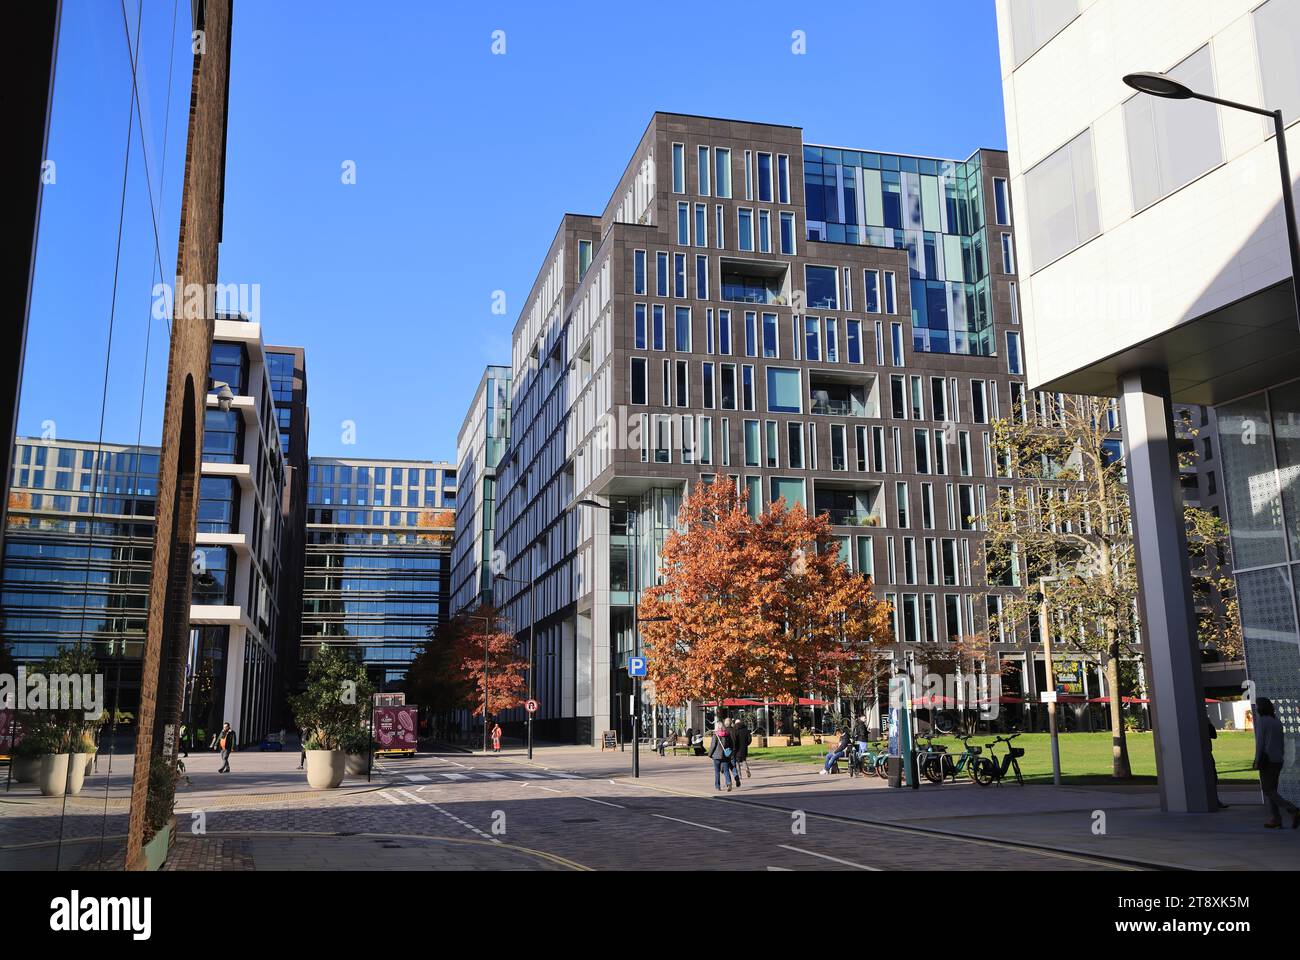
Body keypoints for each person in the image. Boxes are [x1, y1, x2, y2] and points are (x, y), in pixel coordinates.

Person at [1253, 698, 1299, 829]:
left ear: (1261, 708)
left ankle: (1292, 809)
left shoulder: (1262, 721)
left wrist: (1257, 760)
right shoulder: (1276, 721)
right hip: (1277, 760)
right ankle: (1276, 818)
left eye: (1257, 706)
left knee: (1267, 789)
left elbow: (1260, 743)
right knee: (1271, 789)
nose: (1256, 708)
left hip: (1267, 760)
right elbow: (1281, 743)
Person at [1205, 717, 1227, 810]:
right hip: (1206, 754)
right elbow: (1213, 735)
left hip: (1208, 753)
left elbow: (1213, 735)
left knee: (1213, 777)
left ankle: (1214, 800)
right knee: (1211, 777)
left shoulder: (1206, 723)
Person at [708, 723, 735, 792]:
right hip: (725, 756)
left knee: (717, 771)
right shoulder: (727, 735)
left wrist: (710, 754)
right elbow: (731, 744)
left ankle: (718, 786)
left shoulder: (715, 735)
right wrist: (729, 752)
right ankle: (729, 783)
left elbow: (713, 746)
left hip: (716, 756)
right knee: (726, 770)